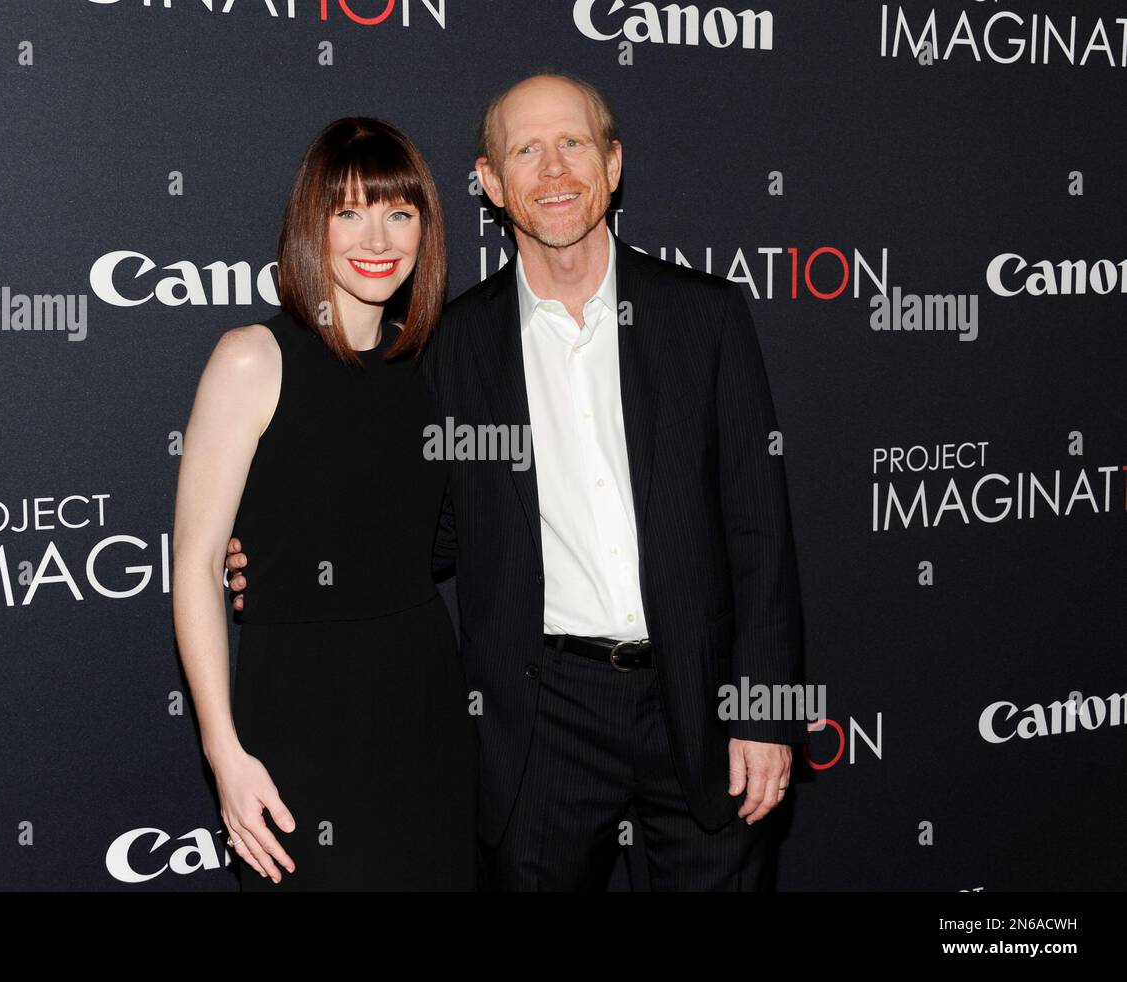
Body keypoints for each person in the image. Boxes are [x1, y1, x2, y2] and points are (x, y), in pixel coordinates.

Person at [230, 73, 808, 891]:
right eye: (525, 151)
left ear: (612, 164)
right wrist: (285, 557)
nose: (554, 171)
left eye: (573, 144)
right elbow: (417, 528)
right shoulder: (455, 347)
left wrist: (764, 710)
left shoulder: (704, 318)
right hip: (540, 723)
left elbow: (760, 532)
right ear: (491, 185)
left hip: (703, 710)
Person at [171, 116, 477, 891]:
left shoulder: (433, 369)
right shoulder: (253, 358)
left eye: (399, 212)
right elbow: (200, 565)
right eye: (348, 212)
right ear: (313, 224)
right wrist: (224, 751)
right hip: (298, 711)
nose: (377, 236)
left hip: (425, 703)